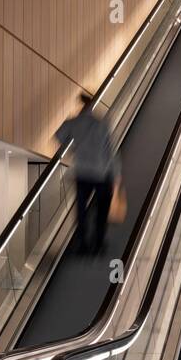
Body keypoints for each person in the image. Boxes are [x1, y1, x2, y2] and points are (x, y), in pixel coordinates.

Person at [54, 94, 120, 256]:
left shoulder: (74, 123)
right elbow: (109, 151)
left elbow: (58, 135)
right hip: (102, 173)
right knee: (101, 209)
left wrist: (73, 150)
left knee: (82, 210)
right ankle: (98, 244)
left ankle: (82, 244)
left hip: (82, 172)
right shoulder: (102, 124)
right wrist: (115, 174)